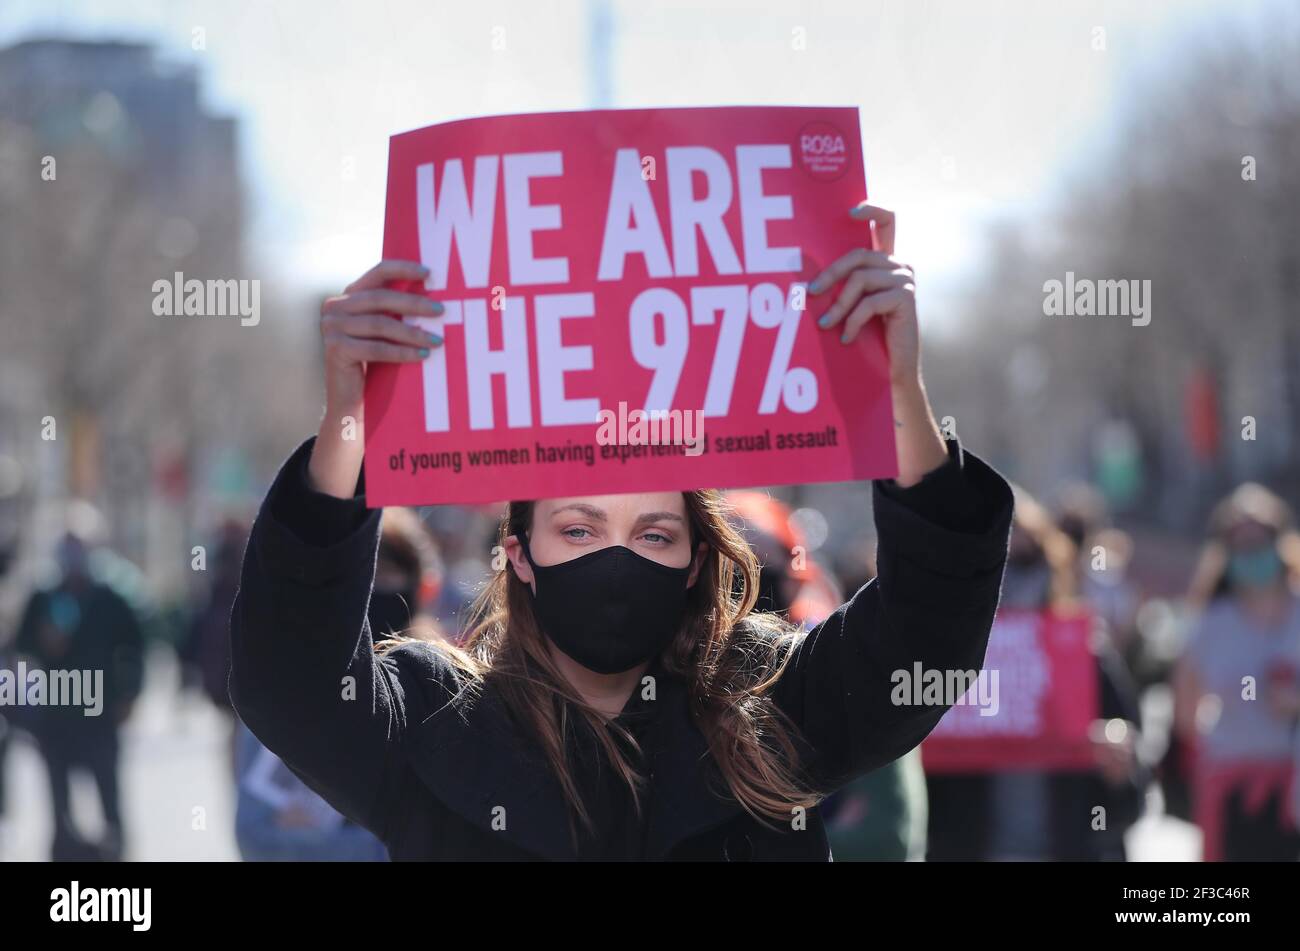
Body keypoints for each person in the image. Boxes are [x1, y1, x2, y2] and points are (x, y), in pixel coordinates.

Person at [229, 204, 1015, 861]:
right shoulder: (440, 725)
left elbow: (928, 643)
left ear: (695, 560)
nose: (615, 557)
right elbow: (287, 683)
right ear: (519, 556)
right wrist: (351, 424)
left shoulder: (772, 703)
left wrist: (897, 392)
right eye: (577, 528)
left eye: (653, 535)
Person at [925, 487, 1145, 861]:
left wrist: (1117, 768)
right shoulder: (940, 662)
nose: (1013, 588)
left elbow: (1129, 801)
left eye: (1028, 563)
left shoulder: (1085, 653)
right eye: (998, 567)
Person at [234, 507, 444, 861]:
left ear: (419, 585)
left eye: (389, 573)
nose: (372, 590)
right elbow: (255, 836)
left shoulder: (440, 689)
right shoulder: (286, 691)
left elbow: (449, 839)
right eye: (360, 576)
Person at [1172, 483, 1300, 861]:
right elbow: (1185, 716)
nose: (1251, 556)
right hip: (1233, 792)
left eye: (1259, 543)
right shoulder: (1209, 623)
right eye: (1240, 547)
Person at [14, 503, 145, 861]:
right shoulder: (43, 597)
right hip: (56, 714)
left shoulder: (110, 599)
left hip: (100, 713)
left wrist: (130, 695)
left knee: (108, 795)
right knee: (59, 798)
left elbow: (134, 648)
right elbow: (20, 648)